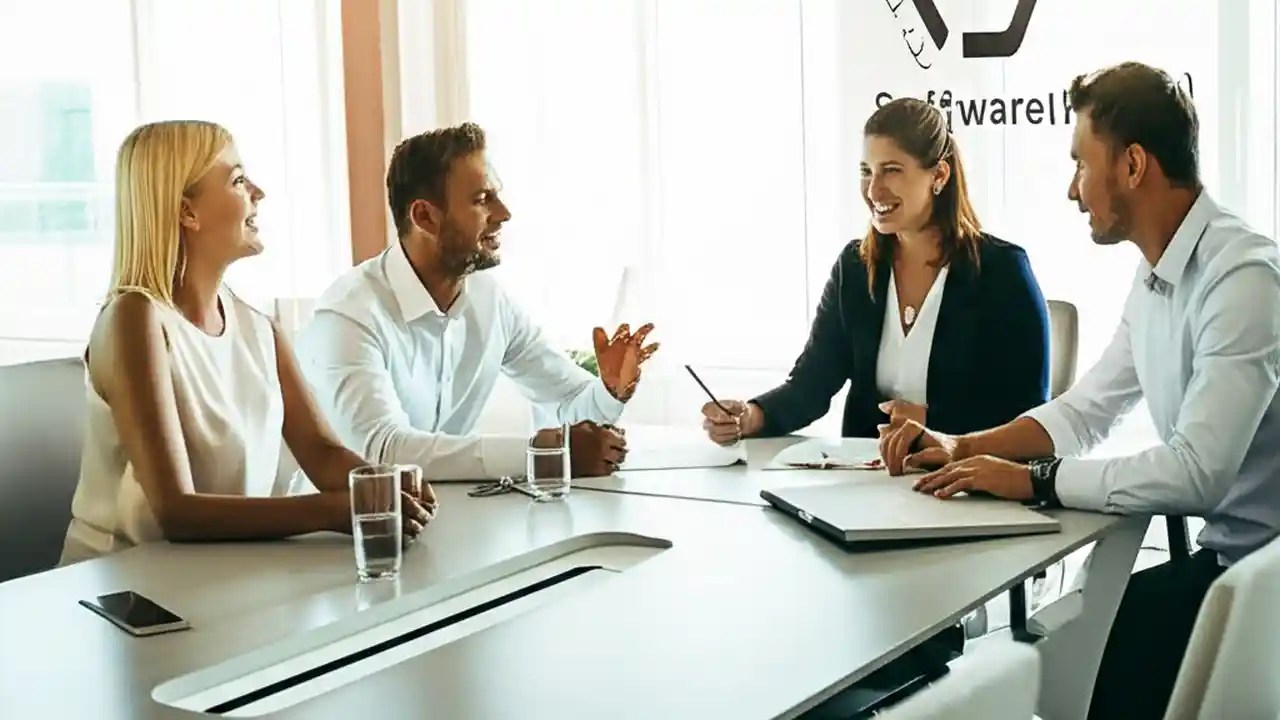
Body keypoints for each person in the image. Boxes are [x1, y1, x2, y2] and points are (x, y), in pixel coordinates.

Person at [879, 62, 1280, 720]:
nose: (1072, 189)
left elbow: (1197, 474)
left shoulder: (1241, 278)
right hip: (1234, 567)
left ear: (1132, 166)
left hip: (1260, 584)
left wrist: (1034, 479)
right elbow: (1088, 410)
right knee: (1097, 645)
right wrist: (962, 447)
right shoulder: (1156, 279)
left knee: (1102, 656)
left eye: (1080, 163)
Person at [61, 121, 434, 564]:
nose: (259, 192)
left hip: (219, 575)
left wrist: (381, 483)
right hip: (125, 591)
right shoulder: (134, 320)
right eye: (238, 180)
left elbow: (319, 452)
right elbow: (177, 511)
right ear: (187, 212)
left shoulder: (258, 328)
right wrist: (334, 510)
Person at [297, 123, 658, 481]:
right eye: (482, 199)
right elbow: (381, 452)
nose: (504, 214)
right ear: (425, 216)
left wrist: (609, 390)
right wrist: (541, 453)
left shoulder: (491, 301)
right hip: (347, 530)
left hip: (442, 516)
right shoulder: (349, 315)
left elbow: (570, 402)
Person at [701, 97, 1050, 446]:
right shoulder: (854, 268)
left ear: (939, 175)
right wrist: (750, 416)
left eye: (892, 170)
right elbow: (811, 385)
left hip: (967, 488)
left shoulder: (1002, 272)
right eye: (867, 171)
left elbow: (1026, 414)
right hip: (868, 482)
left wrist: (930, 421)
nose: (873, 190)